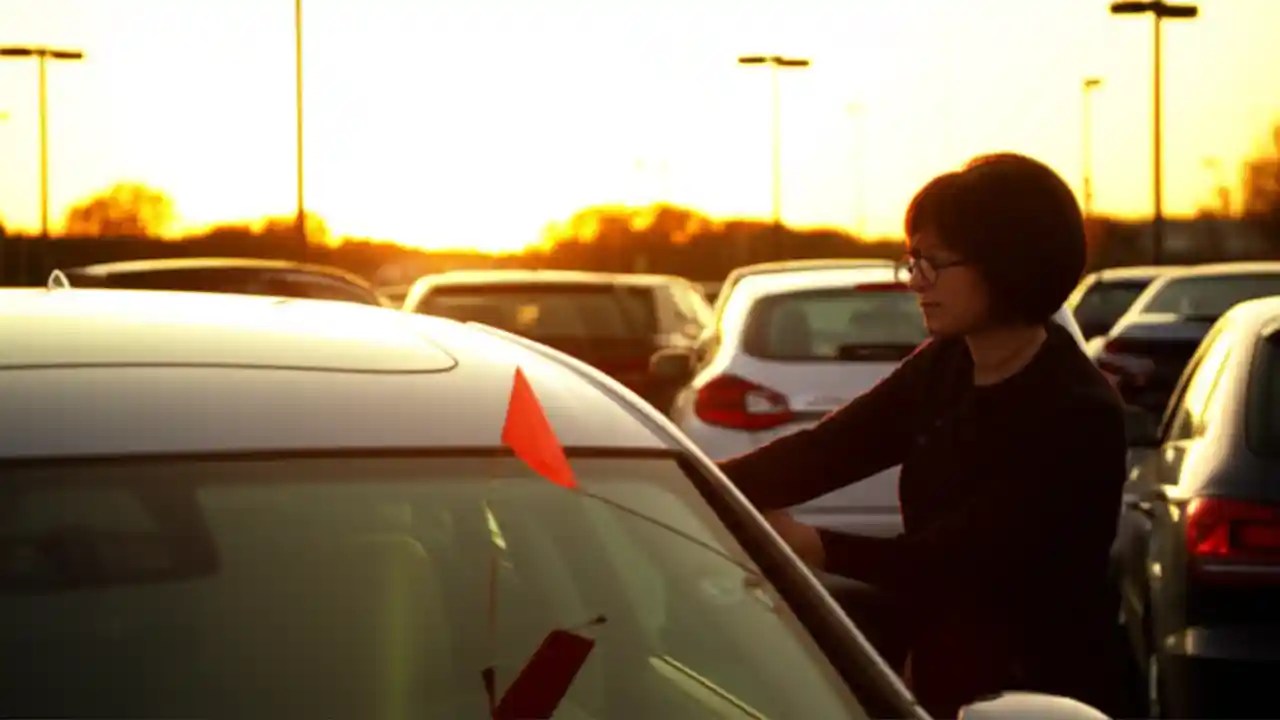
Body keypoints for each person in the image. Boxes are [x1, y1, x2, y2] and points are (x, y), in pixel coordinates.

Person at [718, 153, 1128, 718]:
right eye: (911, 261)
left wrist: (816, 545)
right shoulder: (945, 367)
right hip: (945, 668)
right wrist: (695, 490)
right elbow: (826, 452)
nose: (916, 282)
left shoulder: (1076, 411)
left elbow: (966, 561)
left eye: (933, 263)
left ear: (1006, 262)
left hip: (1040, 691)